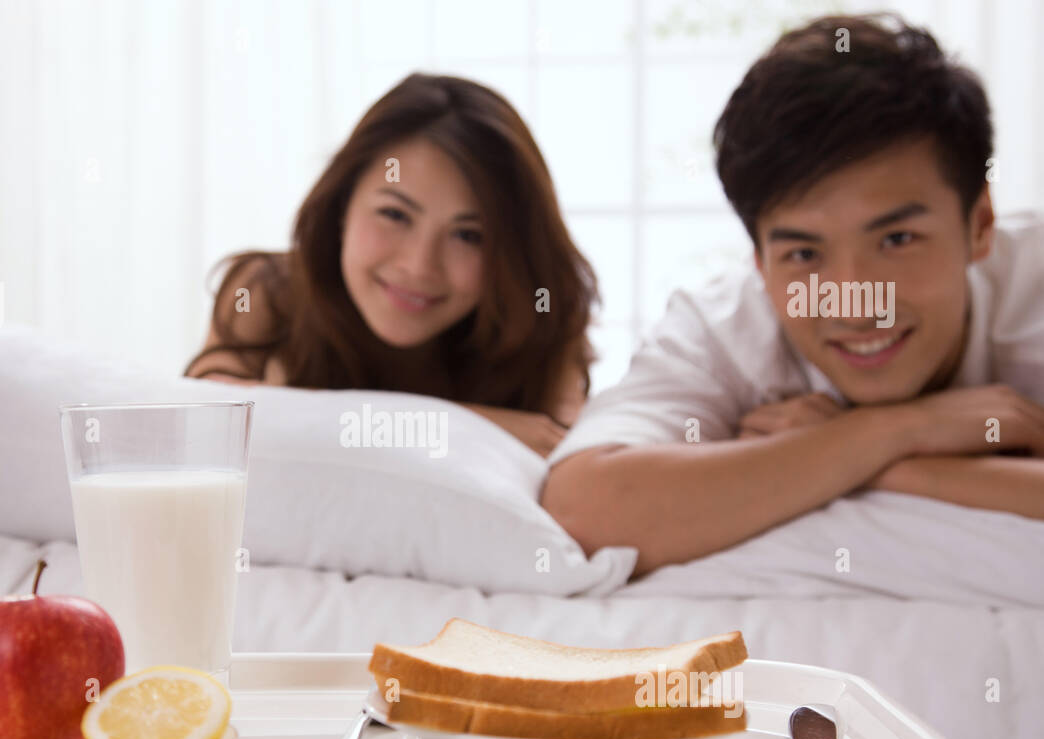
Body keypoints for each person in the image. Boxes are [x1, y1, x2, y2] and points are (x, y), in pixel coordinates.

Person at [542, 13, 1044, 577]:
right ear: (759, 262)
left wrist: (880, 464)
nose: (852, 299)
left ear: (979, 225)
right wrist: (891, 433)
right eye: (804, 255)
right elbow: (580, 508)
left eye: (896, 239)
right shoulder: (721, 329)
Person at [184, 73, 597, 457]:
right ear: (341, 205)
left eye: (469, 235)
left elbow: (557, 457)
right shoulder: (268, 290)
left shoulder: (542, 315)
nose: (419, 267)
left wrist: (299, 414)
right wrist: (468, 425)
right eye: (395, 215)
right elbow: (200, 423)